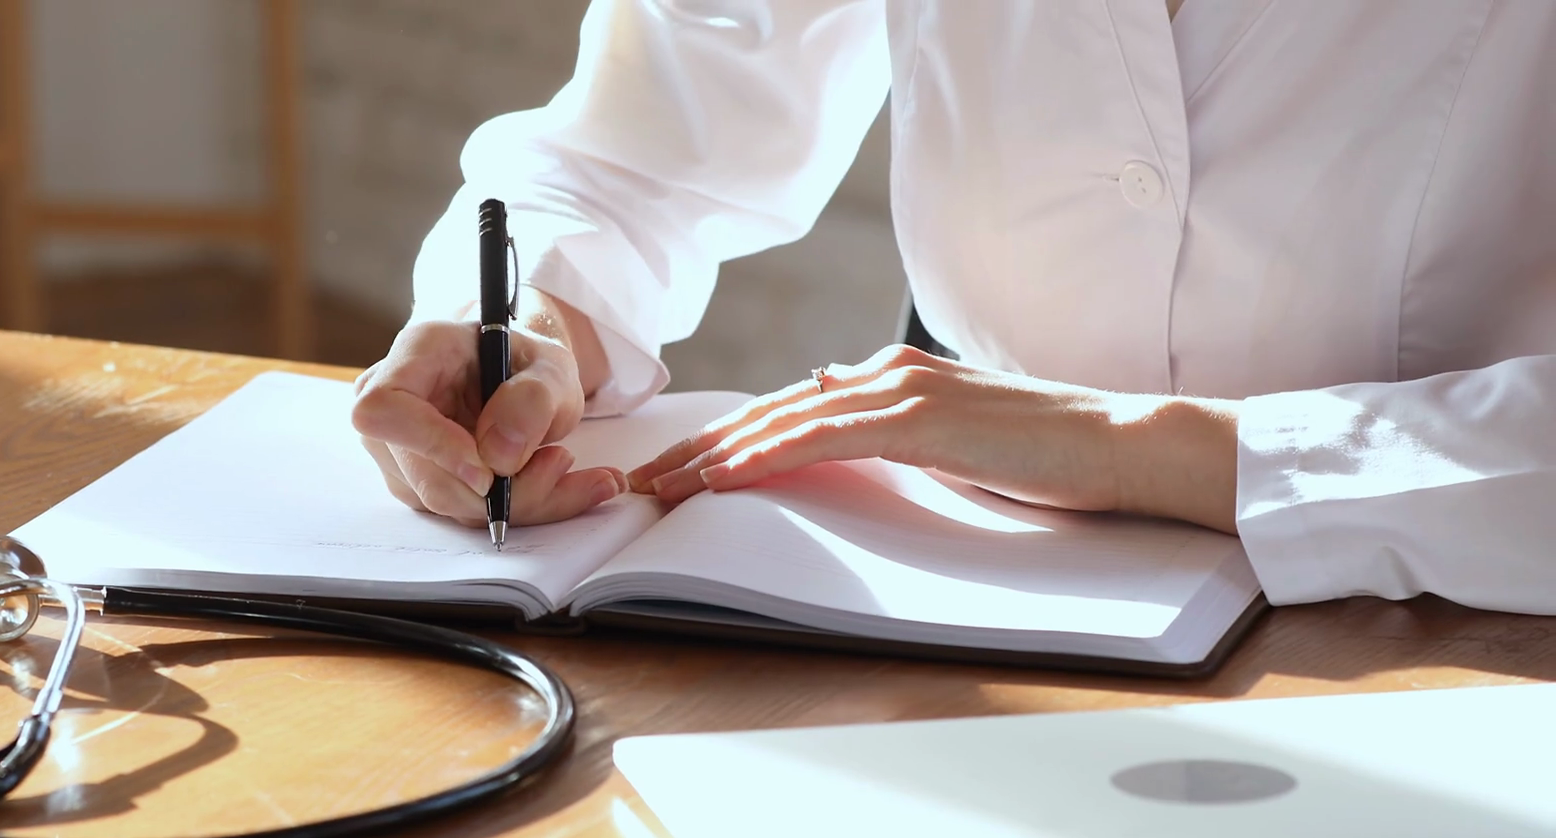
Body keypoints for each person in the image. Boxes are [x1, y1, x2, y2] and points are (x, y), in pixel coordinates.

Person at [351, 0, 1556, 615]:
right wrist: (524, 314)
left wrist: (1139, 449)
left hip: (1467, 619)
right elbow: (634, 149)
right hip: (955, 578)